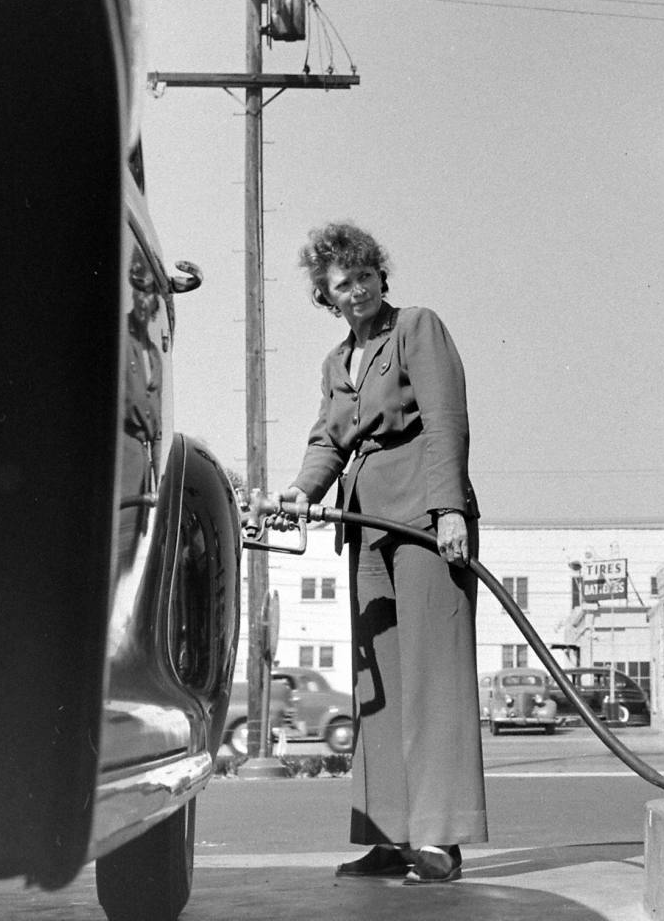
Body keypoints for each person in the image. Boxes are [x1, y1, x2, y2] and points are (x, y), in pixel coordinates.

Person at [279, 221, 486, 881]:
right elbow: (328, 441)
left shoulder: (416, 327)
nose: (359, 289)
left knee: (433, 681)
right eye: (344, 283)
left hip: (425, 516)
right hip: (365, 525)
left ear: (380, 277)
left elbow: (446, 418)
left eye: (366, 275)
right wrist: (301, 491)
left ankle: (439, 841)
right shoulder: (336, 363)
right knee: (381, 685)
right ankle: (390, 836)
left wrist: (449, 509)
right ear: (326, 296)